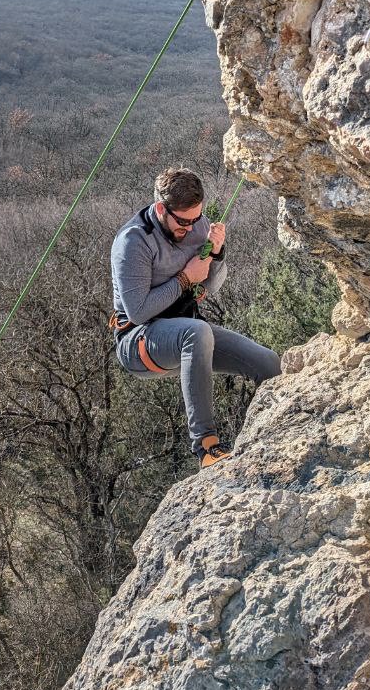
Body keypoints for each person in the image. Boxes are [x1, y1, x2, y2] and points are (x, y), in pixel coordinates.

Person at [110, 166, 281, 469]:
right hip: (139, 342)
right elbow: (137, 312)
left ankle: (280, 431)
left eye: (196, 219)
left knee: (269, 364)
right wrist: (184, 279)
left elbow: (211, 285)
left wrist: (216, 253)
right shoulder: (133, 242)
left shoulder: (198, 225)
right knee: (198, 332)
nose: (190, 229)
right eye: (183, 222)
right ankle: (206, 447)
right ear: (162, 208)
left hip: (187, 330)